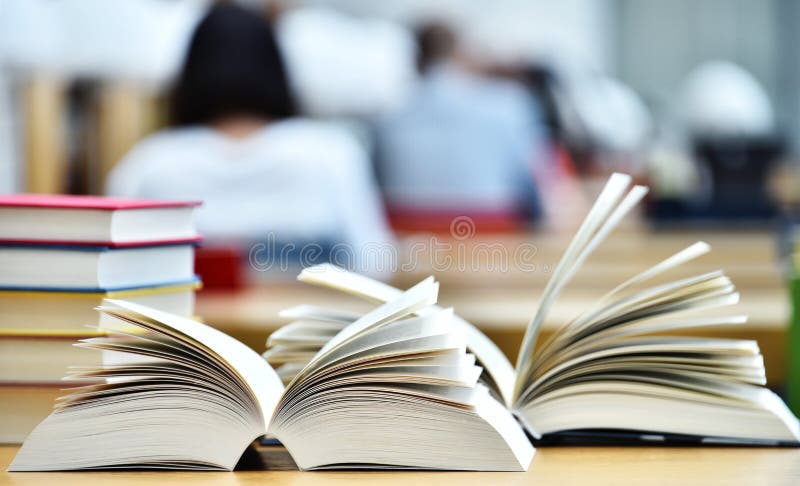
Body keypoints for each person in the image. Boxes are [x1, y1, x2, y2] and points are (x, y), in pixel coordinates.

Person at [107, 4, 392, 273]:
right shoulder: (331, 152)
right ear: (278, 70)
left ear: (189, 76)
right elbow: (376, 260)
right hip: (313, 322)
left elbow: (112, 263)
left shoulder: (152, 161)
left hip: (182, 321)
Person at [376, 22, 546, 232]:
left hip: (409, 239)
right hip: (492, 238)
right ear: (461, 53)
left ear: (414, 58)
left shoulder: (385, 113)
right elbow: (534, 182)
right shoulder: (508, 103)